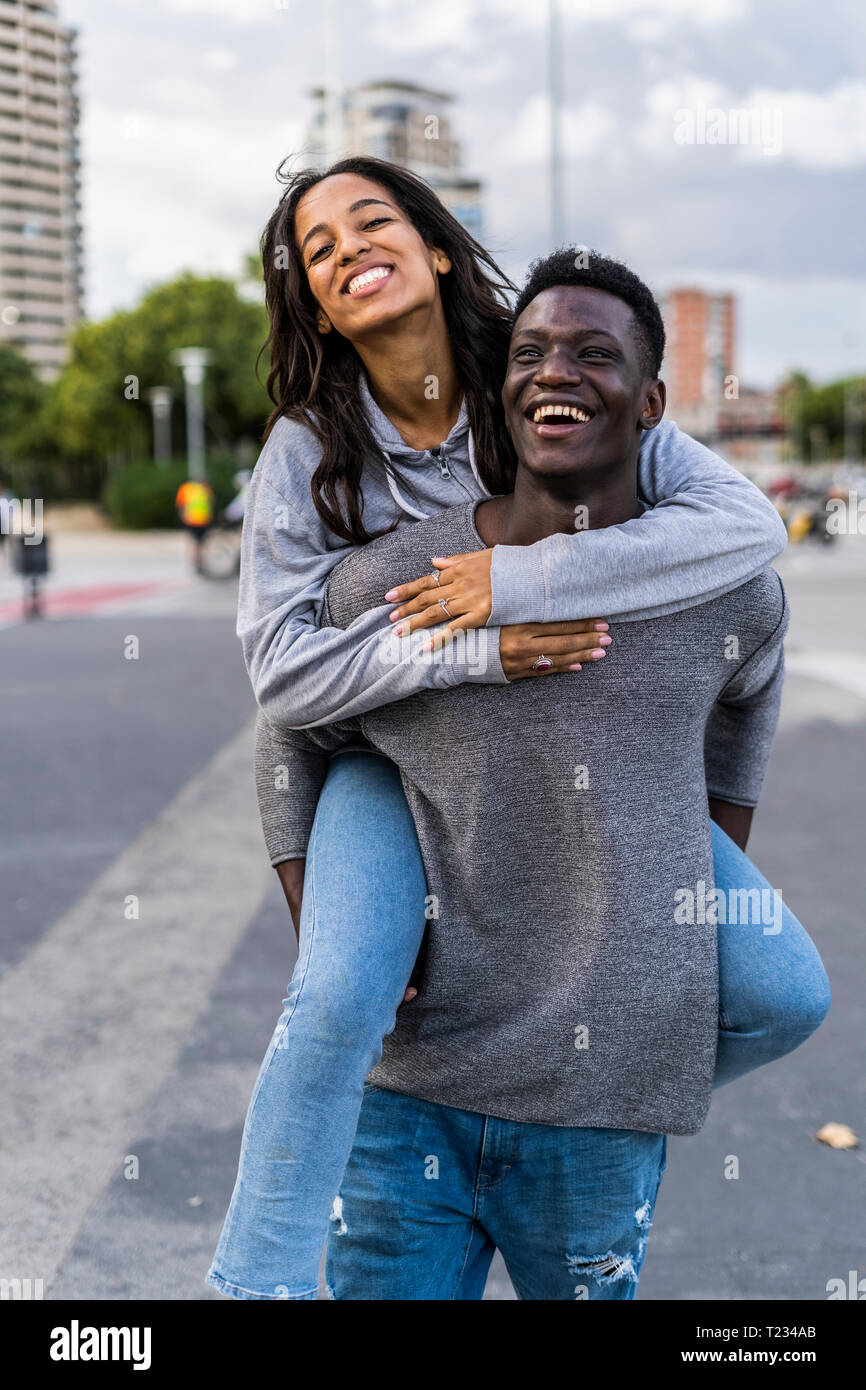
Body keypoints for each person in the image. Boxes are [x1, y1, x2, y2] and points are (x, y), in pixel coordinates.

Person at [205, 158, 822, 1302]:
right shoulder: (309, 446)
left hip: (564, 761)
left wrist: (521, 580)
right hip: (387, 755)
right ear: (313, 297)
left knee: (785, 990)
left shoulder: (536, 365)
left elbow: (743, 534)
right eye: (318, 249)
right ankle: (253, 1284)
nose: (346, 252)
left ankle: (571, 1085)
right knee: (340, 995)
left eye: (370, 223)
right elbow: (285, 688)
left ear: (436, 246)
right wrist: (473, 639)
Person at [174, 477, 214, 571]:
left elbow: (180, 504)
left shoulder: (186, 488)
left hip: (192, 519)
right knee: (200, 541)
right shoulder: (205, 488)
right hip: (203, 519)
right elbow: (211, 502)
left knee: (195, 541)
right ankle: (199, 561)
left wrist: (182, 515)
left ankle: (196, 560)